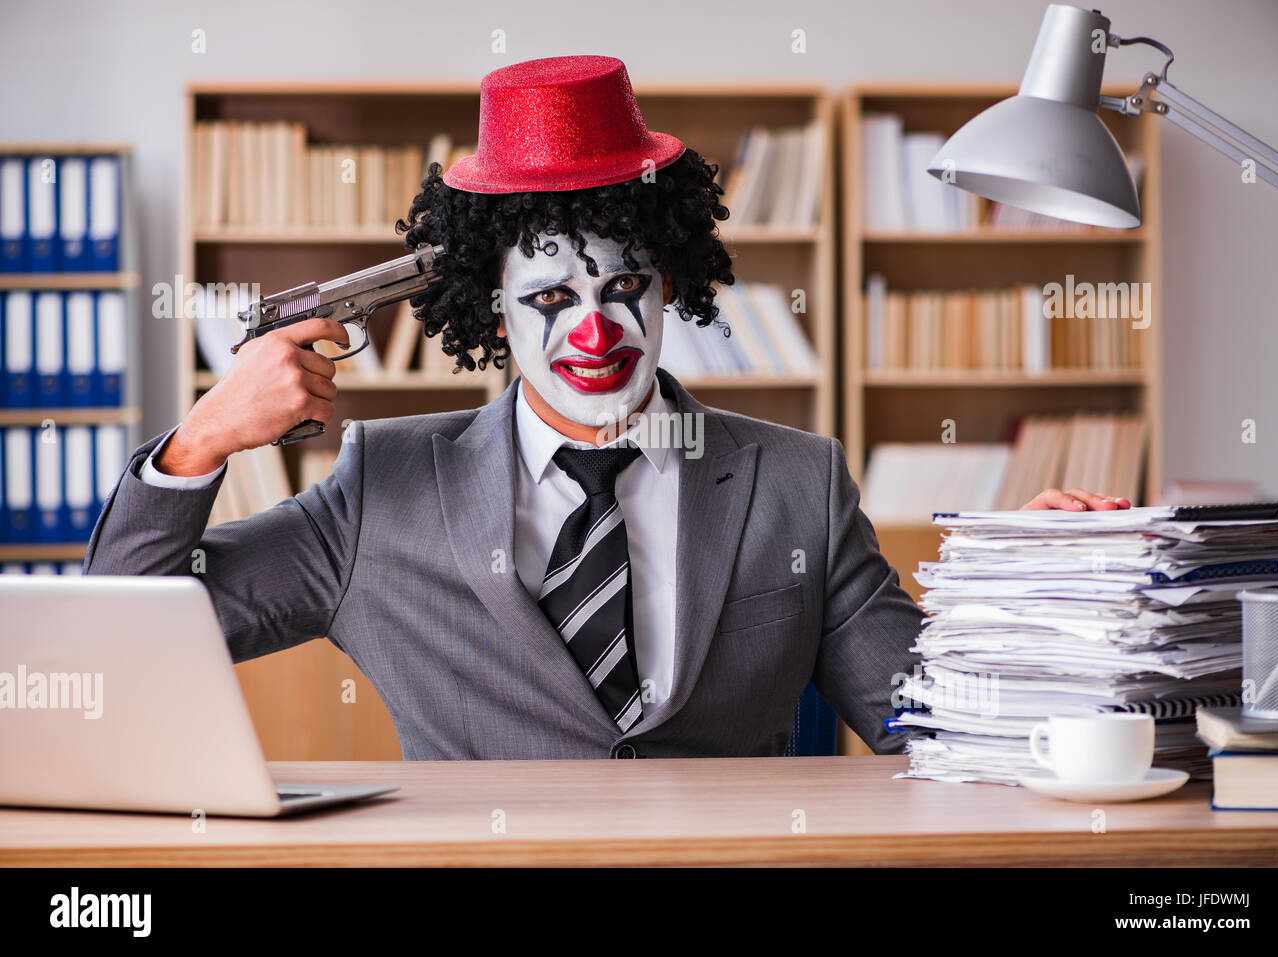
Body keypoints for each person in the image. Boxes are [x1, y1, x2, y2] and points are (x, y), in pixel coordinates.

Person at [84, 55, 1129, 759]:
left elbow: (932, 724)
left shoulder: (796, 483)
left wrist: (1018, 596)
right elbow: (125, 635)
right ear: (489, 317)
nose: (596, 329)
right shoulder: (381, 491)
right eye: (548, 299)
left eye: (624, 287)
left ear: (671, 284)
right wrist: (207, 436)